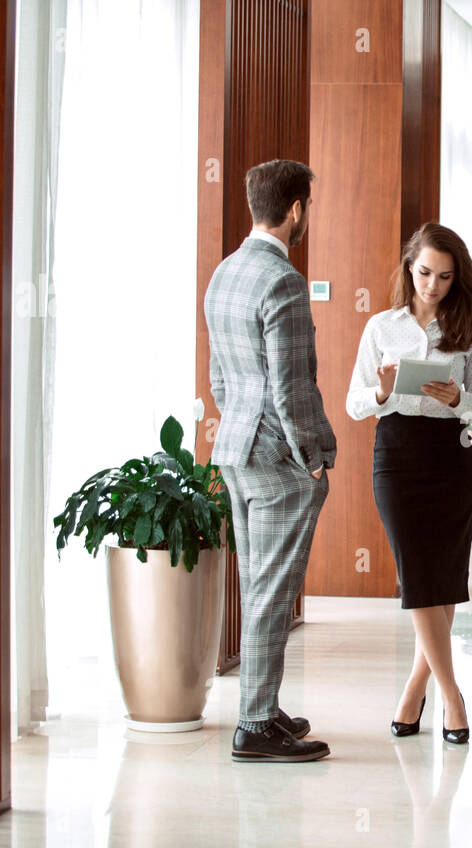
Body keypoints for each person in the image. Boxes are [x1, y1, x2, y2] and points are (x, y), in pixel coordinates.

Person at [205, 159, 336, 763]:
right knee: (272, 593)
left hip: (234, 449)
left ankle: (263, 708)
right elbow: (291, 387)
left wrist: (240, 428)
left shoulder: (225, 274)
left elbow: (220, 381)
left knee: (258, 586)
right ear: (296, 211)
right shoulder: (283, 281)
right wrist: (314, 456)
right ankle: (254, 725)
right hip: (278, 458)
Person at [346, 223, 472, 745]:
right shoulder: (381, 327)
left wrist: (458, 402)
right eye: (425, 272)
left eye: (445, 277)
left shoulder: (470, 329)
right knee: (419, 574)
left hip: (451, 458)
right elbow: (353, 402)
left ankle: (414, 690)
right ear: (410, 267)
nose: (433, 285)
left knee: (443, 580)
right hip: (398, 455)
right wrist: (381, 393)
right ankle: (452, 695)